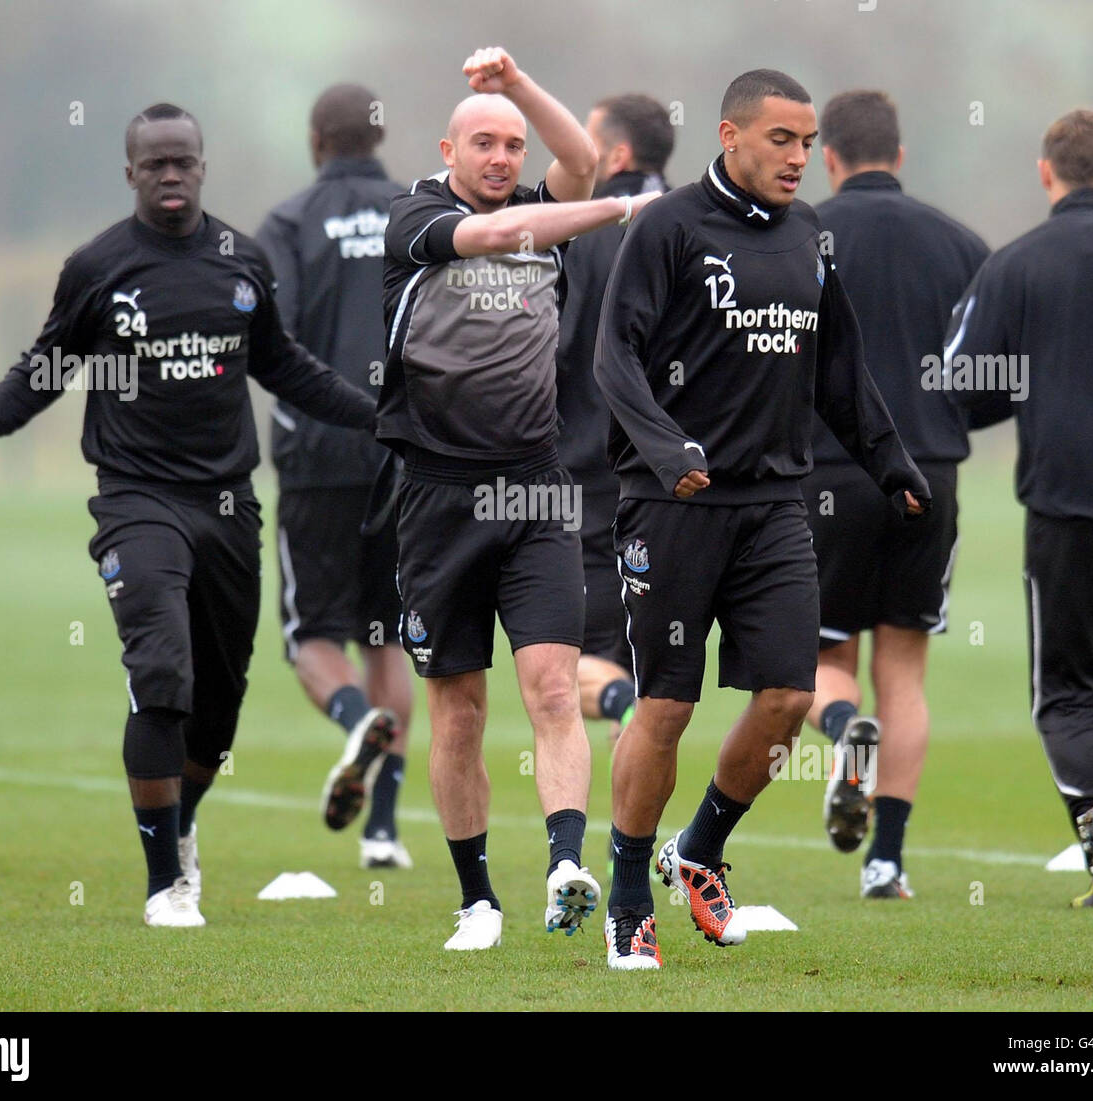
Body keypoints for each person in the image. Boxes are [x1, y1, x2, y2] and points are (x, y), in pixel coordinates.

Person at [0, 104, 377, 927]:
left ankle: (183, 823)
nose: (172, 176)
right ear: (130, 173)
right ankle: (165, 880)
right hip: (138, 500)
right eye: (155, 165)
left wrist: (375, 412)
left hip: (230, 503)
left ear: (202, 166)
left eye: (185, 162)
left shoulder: (243, 260)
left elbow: (285, 366)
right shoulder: (98, 267)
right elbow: (44, 369)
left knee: (218, 702)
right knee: (161, 669)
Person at [594, 69, 929, 971]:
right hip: (673, 504)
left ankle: (698, 850)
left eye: (808, 143)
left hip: (775, 505)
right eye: (781, 140)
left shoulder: (811, 235)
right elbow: (612, 354)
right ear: (730, 135)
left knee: (787, 696)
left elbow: (840, 372)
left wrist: (891, 461)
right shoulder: (666, 225)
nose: (798, 158)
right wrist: (667, 449)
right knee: (665, 703)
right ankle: (629, 899)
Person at [380, 46, 661, 951]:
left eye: (512, 145)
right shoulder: (414, 221)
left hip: (538, 492)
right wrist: (626, 207)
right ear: (448, 152)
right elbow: (501, 236)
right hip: (436, 498)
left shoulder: (547, 203)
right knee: (458, 707)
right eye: (486, 144)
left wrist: (517, 87)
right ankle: (475, 900)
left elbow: (578, 161)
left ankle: (565, 865)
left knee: (550, 688)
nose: (503, 159)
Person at [943, 108, 1093, 918]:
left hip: (1065, 502)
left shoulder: (1015, 265)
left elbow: (957, 384)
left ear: (1047, 174)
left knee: (1068, 693)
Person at [799, 90, 988, 900]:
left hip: (826, 472)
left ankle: (845, 735)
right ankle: (888, 861)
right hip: (929, 470)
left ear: (827, 156)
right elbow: (986, 370)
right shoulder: (963, 243)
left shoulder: (796, 232)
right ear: (899, 155)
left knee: (818, 656)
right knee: (904, 669)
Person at [256, 83, 413, 869]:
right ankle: (383, 830)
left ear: (318, 138)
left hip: (318, 455)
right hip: (404, 455)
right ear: (377, 137)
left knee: (312, 633)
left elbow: (266, 338)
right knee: (387, 634)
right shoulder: (417, 210)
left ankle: (354, 717)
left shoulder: (286, 224)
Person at [556, 93, 674, 747]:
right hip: (687, 473)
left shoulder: (584, 232)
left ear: (618, 155)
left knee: (557, 659)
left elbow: (553, 346)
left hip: (590, 469)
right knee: (660, 643)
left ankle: (629, 709)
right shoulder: (703, 221)